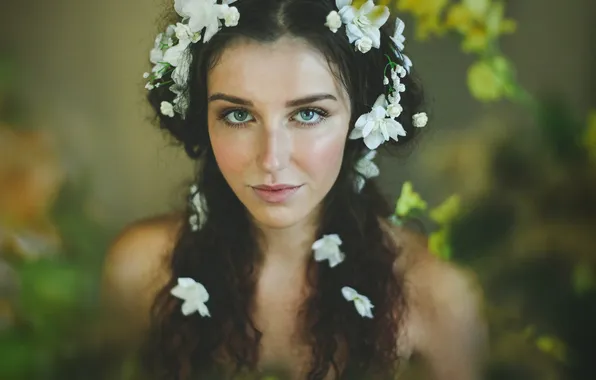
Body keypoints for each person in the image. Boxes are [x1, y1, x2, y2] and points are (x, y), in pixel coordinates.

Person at [101, 0, 488, 378]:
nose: (272, 159)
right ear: (203, 118)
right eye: (238, 115)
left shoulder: (437, 298)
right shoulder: (141, 272)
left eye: (308, 114)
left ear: (361, 114)